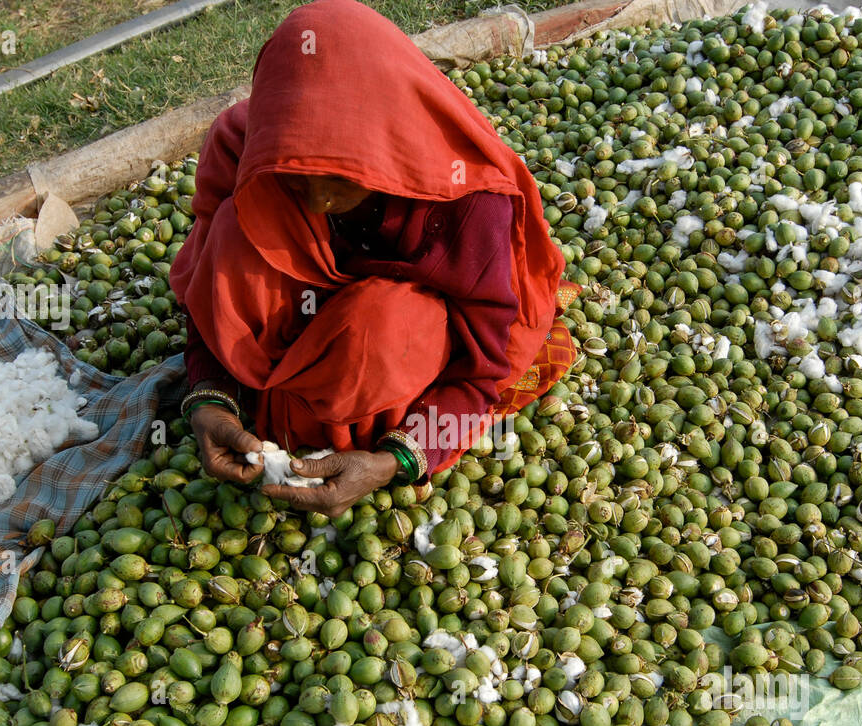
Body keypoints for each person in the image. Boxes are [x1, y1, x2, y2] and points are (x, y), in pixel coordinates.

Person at [168, 0, 578, 516]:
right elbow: (208, 289)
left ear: (388, 143)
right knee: (234, 229)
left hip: (391, 355)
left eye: (342, 180)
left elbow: (480, 375)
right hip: (293, 344)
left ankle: (343, 433)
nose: (317, 201)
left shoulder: (465, 202)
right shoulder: (244, 148)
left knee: (383, 323)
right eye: (298, 178)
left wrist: (393, 461)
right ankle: (267, 403)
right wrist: (209, 395)